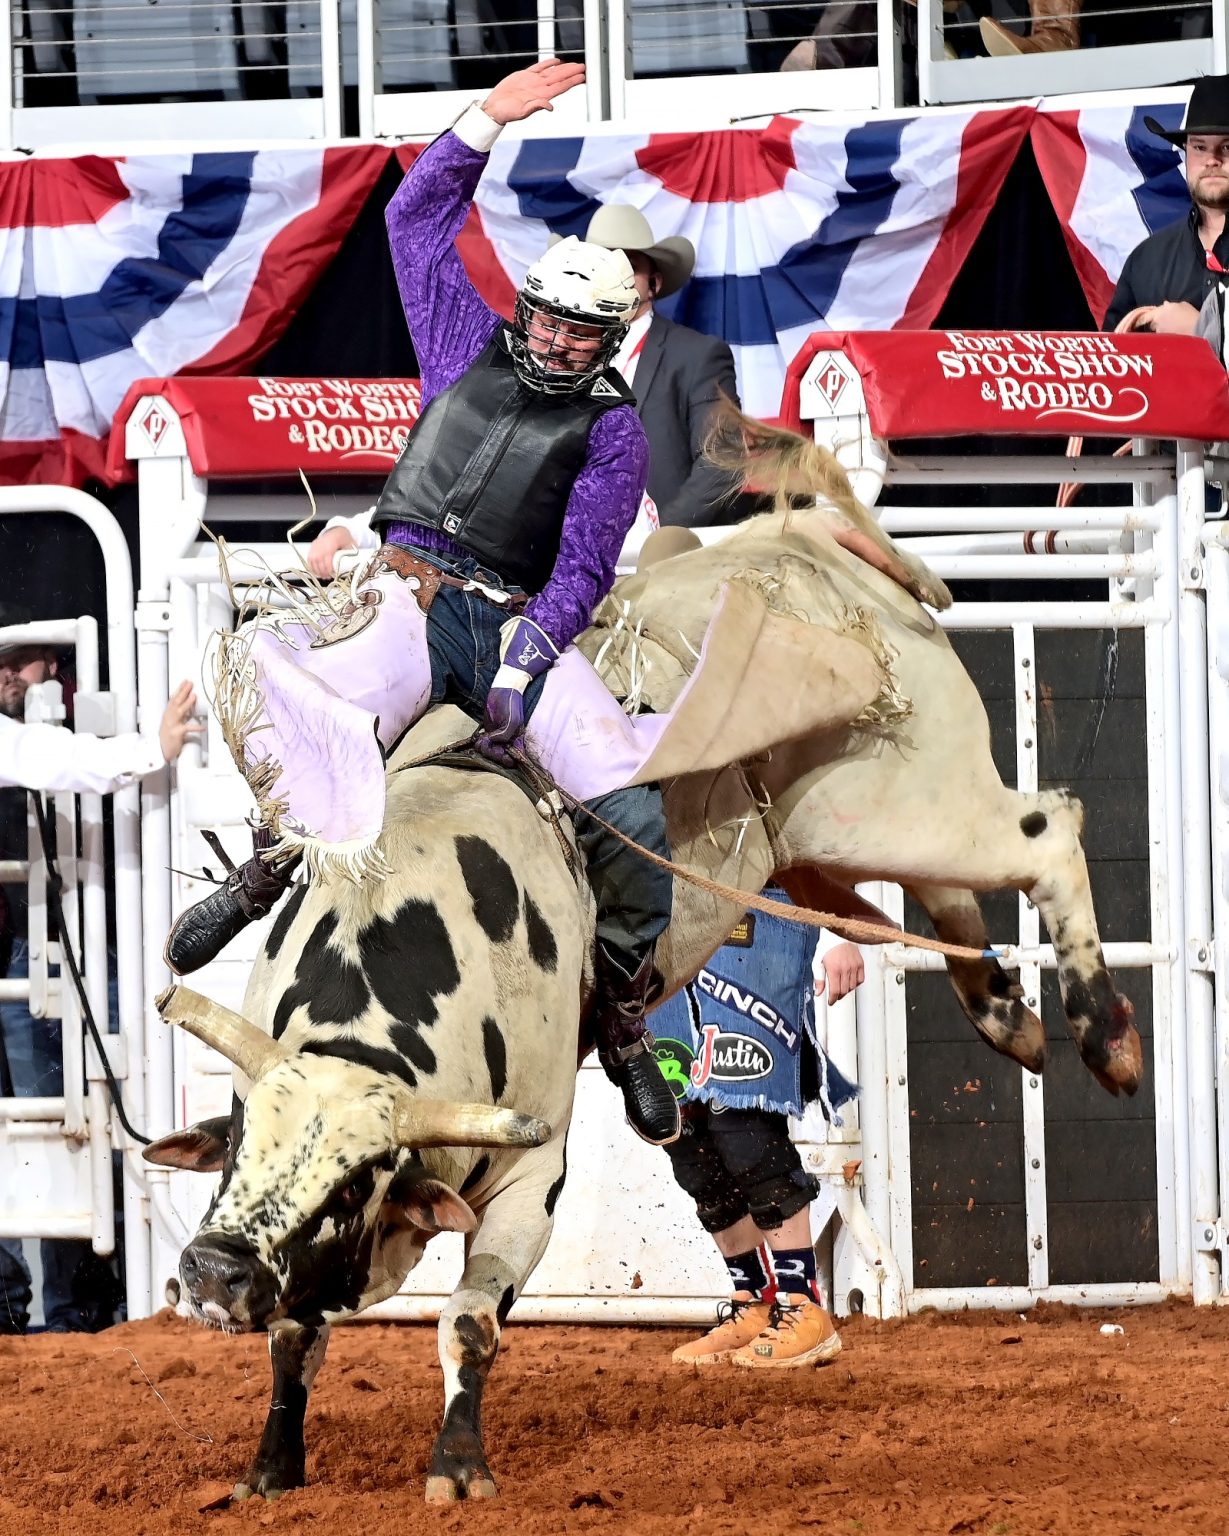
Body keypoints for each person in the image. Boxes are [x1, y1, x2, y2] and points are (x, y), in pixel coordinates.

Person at [164, 59, 681, 1148]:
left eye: (573, 335)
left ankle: (624, 1022)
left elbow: (582, 564)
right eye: (542, 319)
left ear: (606, 340)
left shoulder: (614, 428)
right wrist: (485, 119)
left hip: (506, 618)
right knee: (297, 687)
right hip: (401, 588)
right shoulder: (462, 340)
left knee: (633, 814)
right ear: (528, 307)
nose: (549, 341)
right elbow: (413, 216)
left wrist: (525, 655)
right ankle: (267, 868)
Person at [0, 604, 200, 1332]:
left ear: (55, 665)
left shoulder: (50, 728)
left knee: (92, 1124)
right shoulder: (22, 733)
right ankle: (47, 1310)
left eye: (21, 658)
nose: (9, 673)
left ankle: (85, 1308)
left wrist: (149, 749)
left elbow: (48, 761)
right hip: (33, 953)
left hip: (98, 946)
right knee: (35, 1133)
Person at [650, 888, 863, 1368]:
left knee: (742, 1121)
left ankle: (802, 1305)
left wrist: (834, 927)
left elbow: (809, 820)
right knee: (682, 1130)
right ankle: (755, 1299)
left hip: (758, 913)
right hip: (666, 919)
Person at [574, 203, 747, 528]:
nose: (616, 274)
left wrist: (660, 540)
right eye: (604, 263)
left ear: (654, 283)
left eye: (629, 263)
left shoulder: (697, 355)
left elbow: (723, 463)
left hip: (659, 559)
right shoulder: (568, 355)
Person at [1104, 77, 1229, 335]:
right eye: (1199, 147)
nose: (1212, 160)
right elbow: (1116, 364)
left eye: (1227, 146)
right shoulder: (1146, 260)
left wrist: (1199, 328)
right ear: (1185, 153)